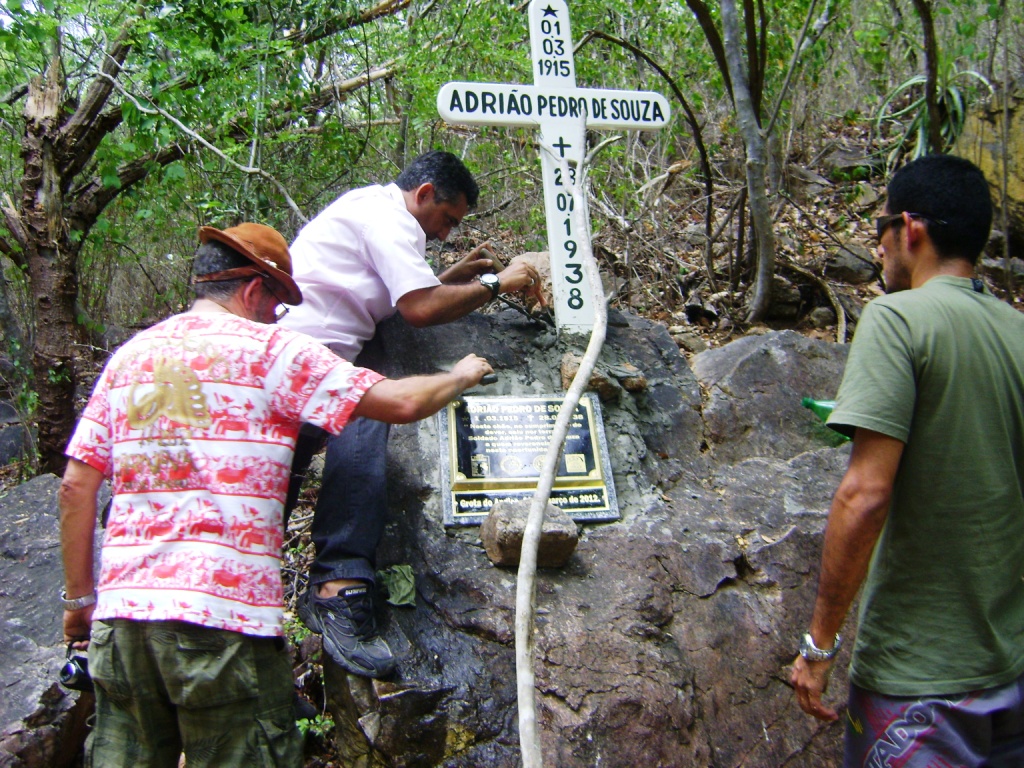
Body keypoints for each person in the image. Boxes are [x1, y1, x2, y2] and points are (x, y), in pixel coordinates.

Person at [59, 223, 493, 767]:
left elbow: (77, 486)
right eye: (278, 302)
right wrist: (459, 375)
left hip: (122, 623)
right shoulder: (275, 352)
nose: (277, 315)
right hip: (224, 622)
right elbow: (398, 402)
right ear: (252, 291)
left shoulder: (130, 358)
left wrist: (79, 605)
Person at [790, 154, 1024, 766]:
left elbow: (864, 494)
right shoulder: (1016, 331)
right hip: (1011, 668)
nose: (880, 249)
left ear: (910, 229)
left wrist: (818, 647)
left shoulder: (897, 320)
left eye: (881, 230)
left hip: (921, 682)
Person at [281, 150, 543, 678]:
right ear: (424, 193)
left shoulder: (372, 209)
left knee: (273, 492)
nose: (448, 233)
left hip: (307, 364)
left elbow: (388, 300)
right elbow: (419, 310)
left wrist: (451, 276)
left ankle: (295, 595)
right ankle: (336, 586)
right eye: (448, 219)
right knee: (284, 481)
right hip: (301, 369)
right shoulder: (390, 218)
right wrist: (500, 283)